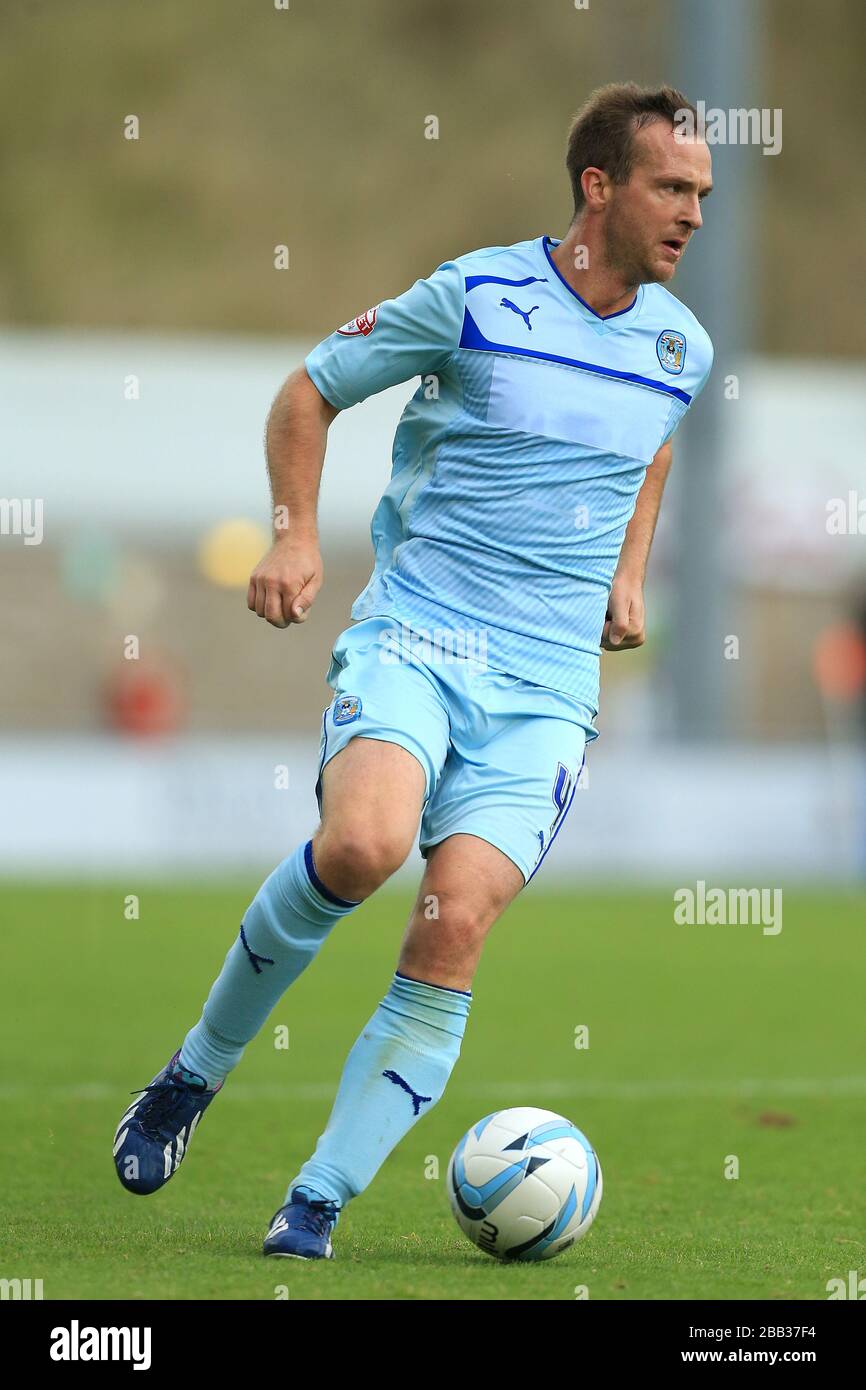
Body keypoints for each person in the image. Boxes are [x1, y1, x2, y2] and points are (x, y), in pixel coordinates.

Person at [113, 82, 713, 1262]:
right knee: (360, 849)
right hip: (419, 639)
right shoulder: (474, 296)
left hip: (546, 688)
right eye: (670, 188)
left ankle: (316, 1201)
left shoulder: (678, 346)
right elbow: (308, 390)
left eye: (701, 191)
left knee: (453, 922)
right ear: (598, 188)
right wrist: (294, 533)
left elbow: (651, 448)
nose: (692, 213)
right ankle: (192, 1073)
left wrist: (628, 573)